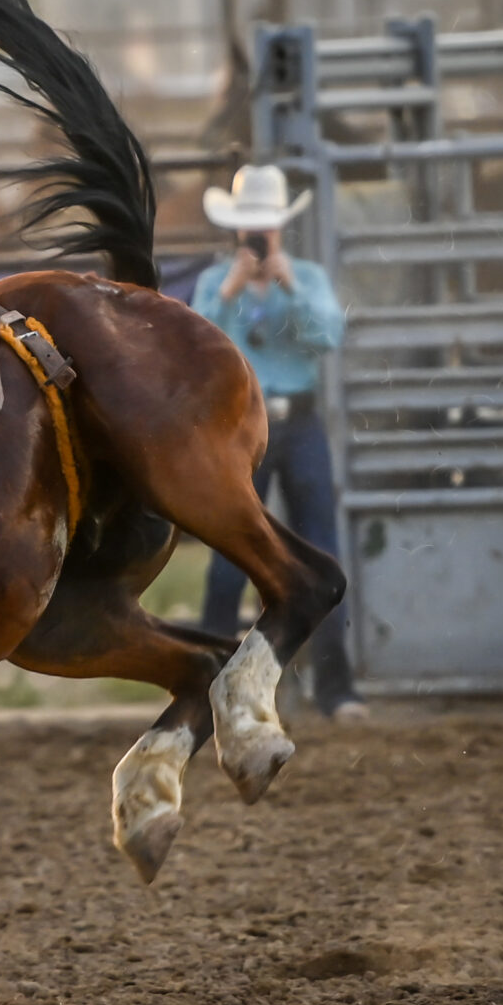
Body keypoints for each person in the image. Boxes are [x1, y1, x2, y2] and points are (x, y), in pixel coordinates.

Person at [193, 164, 368, 720]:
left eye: (265, 227)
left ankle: (335, 688)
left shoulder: (306, 277)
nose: (257, 236)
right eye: (252, 227)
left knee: (321, 554)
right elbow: (195, 348)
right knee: (228, 560)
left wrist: (288, 285)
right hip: (241, 428)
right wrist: (230, 291)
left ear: (278, 230)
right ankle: (205, 686)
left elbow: (328, 335)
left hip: (297, 422)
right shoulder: (215, 283)